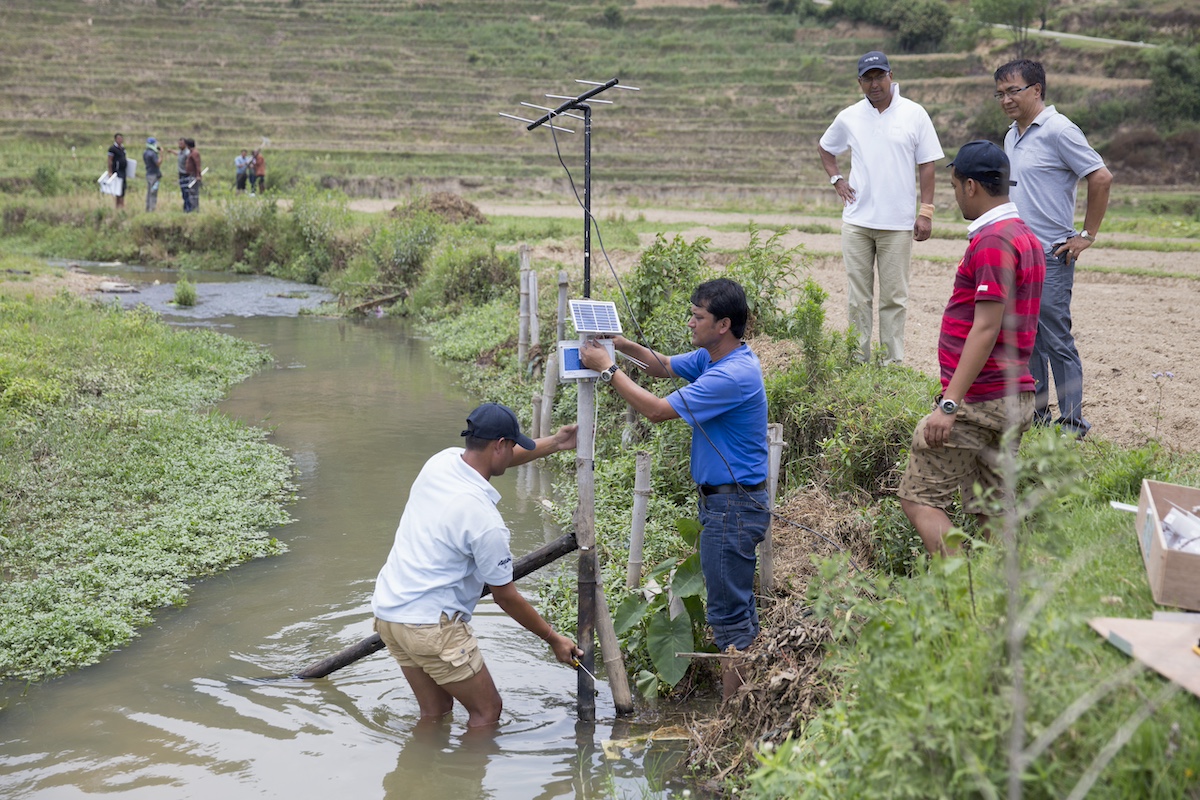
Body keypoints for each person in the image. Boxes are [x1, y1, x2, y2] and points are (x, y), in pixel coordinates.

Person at [579, 278, 769, 701]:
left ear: (723, 324)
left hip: (733, 508)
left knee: (729, 619)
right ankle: (746, 703)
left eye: (697, 317)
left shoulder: (732, 375)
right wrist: (619, 345)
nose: (690, 323)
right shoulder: (715, 357)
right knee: (735, 610)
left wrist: (607, 369)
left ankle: (733, 715)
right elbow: (662, 365)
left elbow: (658, 410)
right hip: (727, 505)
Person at [372, 403, 582, 729]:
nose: (512, 453)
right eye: (511, 446)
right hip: (430, 627)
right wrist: (554, 638)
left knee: (435, 711)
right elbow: (505, 597)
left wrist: (556, 442)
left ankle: (419, 763)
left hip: (389, 614)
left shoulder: (441, 462)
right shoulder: (484, 520)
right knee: (487, 712)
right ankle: (468, 765)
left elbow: (499, 459)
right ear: (499, 445)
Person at [898, 140, 1045, 557]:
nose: (956, 196)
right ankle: (1004, 588)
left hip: (979, 399)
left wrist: (949, 404)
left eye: (954, 186)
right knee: (993, 510)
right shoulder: (1025, 236)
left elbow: (986, 327)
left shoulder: (995, 241)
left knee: (918, 499)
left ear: (971, 187)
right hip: (1012, 396)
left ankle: (963, 589)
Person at [995, 59, 1113, 438]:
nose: (1006, 99)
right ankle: (1038, 417)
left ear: (1036, 90)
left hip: (1051, 254)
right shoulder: (1011, 136)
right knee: (1027, 339)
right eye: (1000, 93)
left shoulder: (1059, 130)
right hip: (1018, 254)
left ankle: (1073, 424)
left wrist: (1087, 235)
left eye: (1013, 91)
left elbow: (1101, 177)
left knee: (1057, 340)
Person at [818, 51, 944, 365]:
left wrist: (926, 211)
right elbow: (825, 147)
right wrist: (836, 179)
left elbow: (927, 164)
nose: (874, 84)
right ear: (859, 82)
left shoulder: (914, 114)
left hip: (897, 225)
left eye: (879, 76)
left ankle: (891, 363)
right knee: (858, 297)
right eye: (867, 79)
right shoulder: (850, 116)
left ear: (891, 75)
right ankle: (858, 361)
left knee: (894, 298)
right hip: (857, 222)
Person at [104, 133, 128, 210]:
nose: (120, 140)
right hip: (117, 171)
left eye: (121, 138)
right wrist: (110, 171)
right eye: (119, 138)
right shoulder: (112, 149)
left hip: (123, 171)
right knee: (118, 189)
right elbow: (109, 160)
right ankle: (118, 206)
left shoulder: (123, 148)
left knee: (123, 188)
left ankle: (122, 206)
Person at [143, 137, 163, 212]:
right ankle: (152, 209)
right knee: (153, 192)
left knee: (149, 192)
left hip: (148, 174)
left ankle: (148, 208)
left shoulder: (145, 152)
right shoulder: (153, 154)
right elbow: (158, 163)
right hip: (154, 175)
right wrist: (161, 154)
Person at [174, 137, 192, 212]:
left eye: (181, 144)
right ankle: (186, 208)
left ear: (185, 144)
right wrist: (171, 151)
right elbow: (177, 153)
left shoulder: (187, 153)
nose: (179, 145)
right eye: (179, 143)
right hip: (181, 175)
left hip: (186, 175)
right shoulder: (181, 152)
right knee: (184, 192)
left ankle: (188, 209)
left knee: (186, 192)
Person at [184, 138, 202, 213]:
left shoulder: (195, 153)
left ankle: (195, 209)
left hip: (194, 175)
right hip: (190, 175)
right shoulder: (191, 152)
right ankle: (192, 208)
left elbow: (197, 165)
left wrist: (198, 175)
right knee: (191, 193)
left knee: (194, 193)